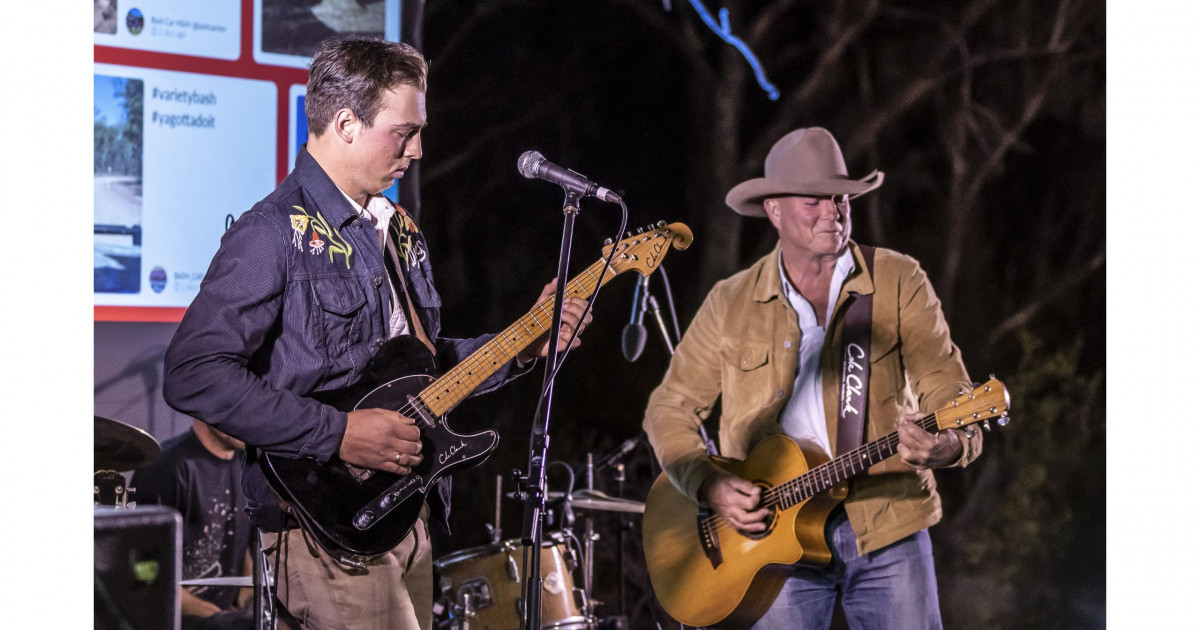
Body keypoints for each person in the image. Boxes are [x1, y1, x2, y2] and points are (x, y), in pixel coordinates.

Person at [162, 35, 592, 630]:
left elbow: (426, 368)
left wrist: (526, 344)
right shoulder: (272, 232)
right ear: (344, 123)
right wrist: (336, 432)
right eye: (403, 131)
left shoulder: (398, 229)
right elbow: (192, 373)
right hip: (321, 529)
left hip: (403, 512)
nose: (417, 150)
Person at [642, 127, 982, 629]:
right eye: (813, 201)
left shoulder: (897, 278)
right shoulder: (730, 301)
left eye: (841, 198)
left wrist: (950, 444)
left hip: (887, 523)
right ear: (774, 210)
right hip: (768, 544)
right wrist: (708, 485)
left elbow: (945, 382)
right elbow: (668, 409)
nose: (833, 212)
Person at [131, 419, 254, 630]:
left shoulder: (247, 466)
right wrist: (219, 617)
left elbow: (244, 551)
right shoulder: (165, 467)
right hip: (180, 619)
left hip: (225, 617)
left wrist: (252, 607)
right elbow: (144, 575)